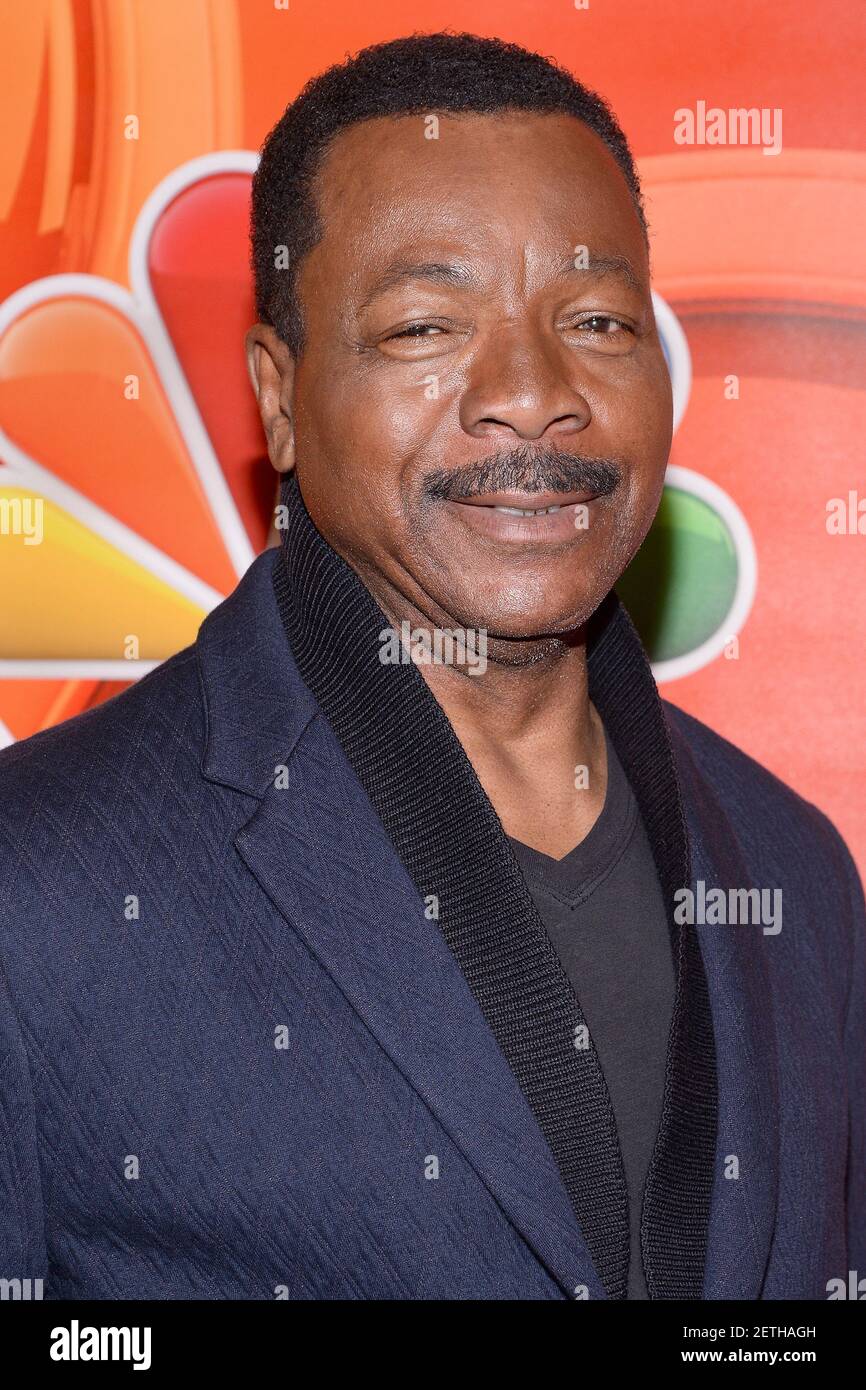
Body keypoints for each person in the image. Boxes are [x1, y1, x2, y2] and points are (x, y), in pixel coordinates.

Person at [0, 32, 863, 1301]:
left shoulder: (793, 869)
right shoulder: (39, 886)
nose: (531, 392)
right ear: (278, 397)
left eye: (595, 319)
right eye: (422, 324)